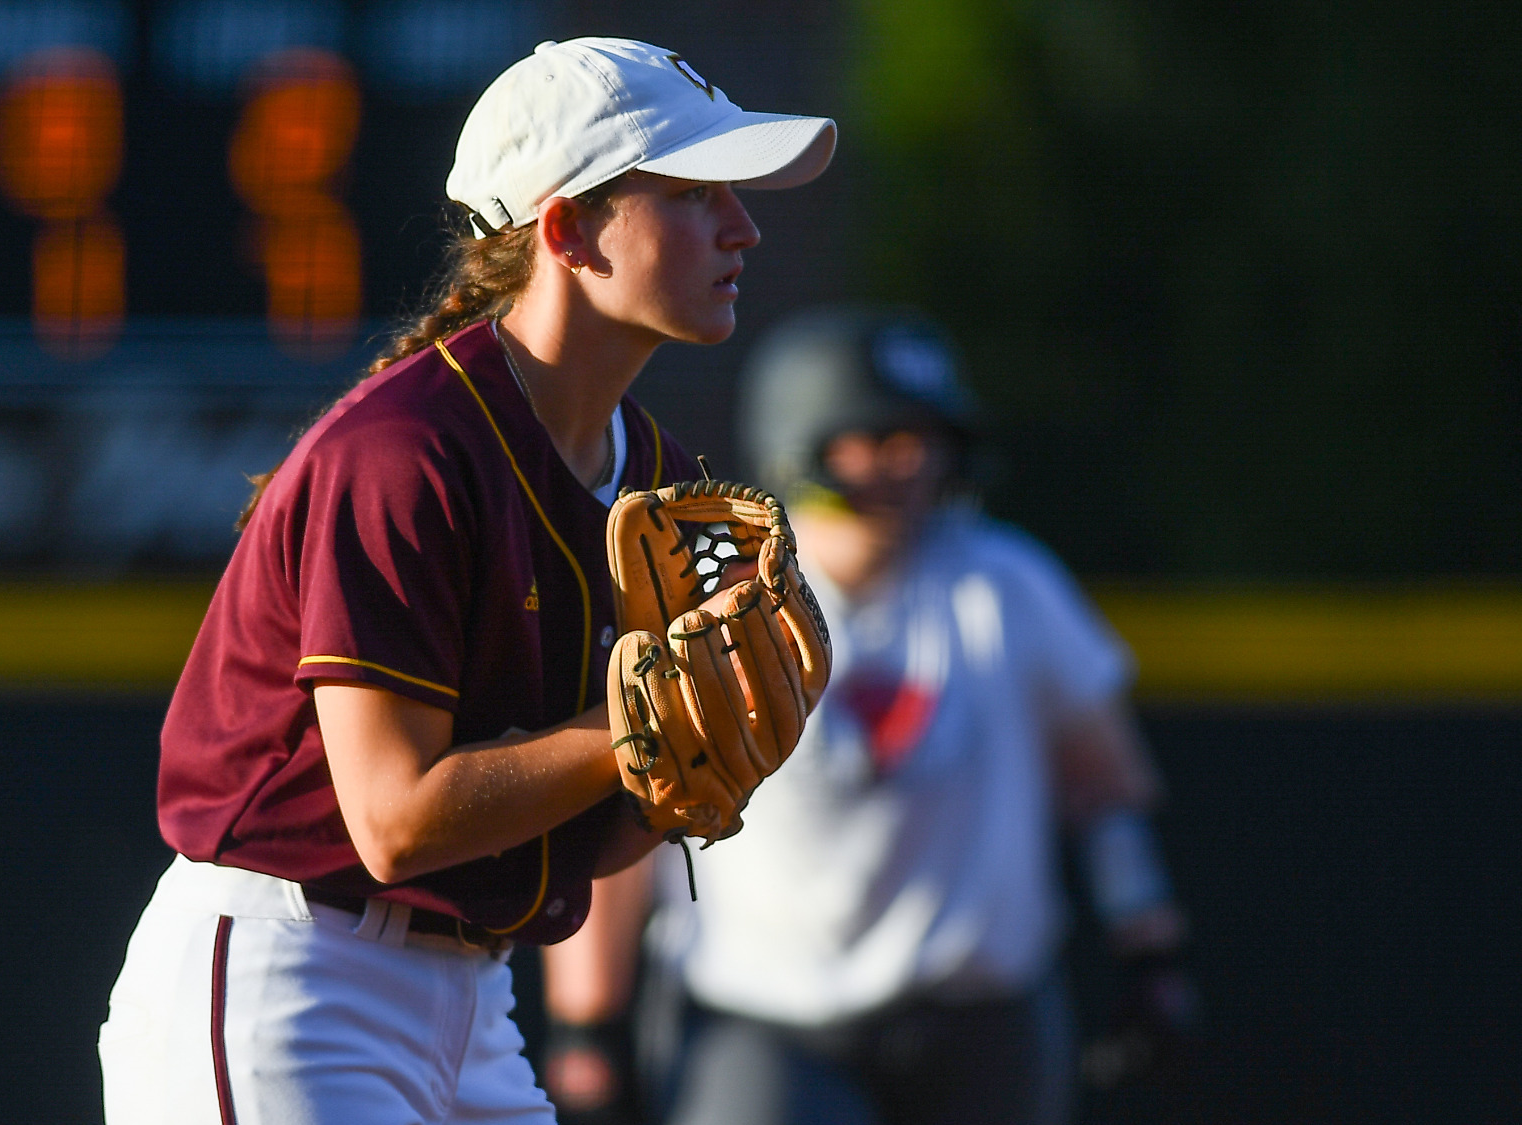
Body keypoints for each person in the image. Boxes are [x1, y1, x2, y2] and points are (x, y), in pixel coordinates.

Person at [95, 38, 835, 1125]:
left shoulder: (663, 483)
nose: (742, 227)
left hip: (476, 996)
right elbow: (393, 821)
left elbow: (602, 821)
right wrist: (628, 723)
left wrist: (687, 766)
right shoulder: (402, 452)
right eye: (691, 193)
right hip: (288, 978)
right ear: (567, 229)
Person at [538, 308, 1196, 1125]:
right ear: (801, 440)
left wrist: (1149, 947)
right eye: (879, 438)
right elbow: (623, 835)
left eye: (925, 436)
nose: (913, 461)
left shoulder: (1004, 583)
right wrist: (586, 1024)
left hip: (977, 1019)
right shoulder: (709, 603)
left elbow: (1107, 788)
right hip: (763, 1019)